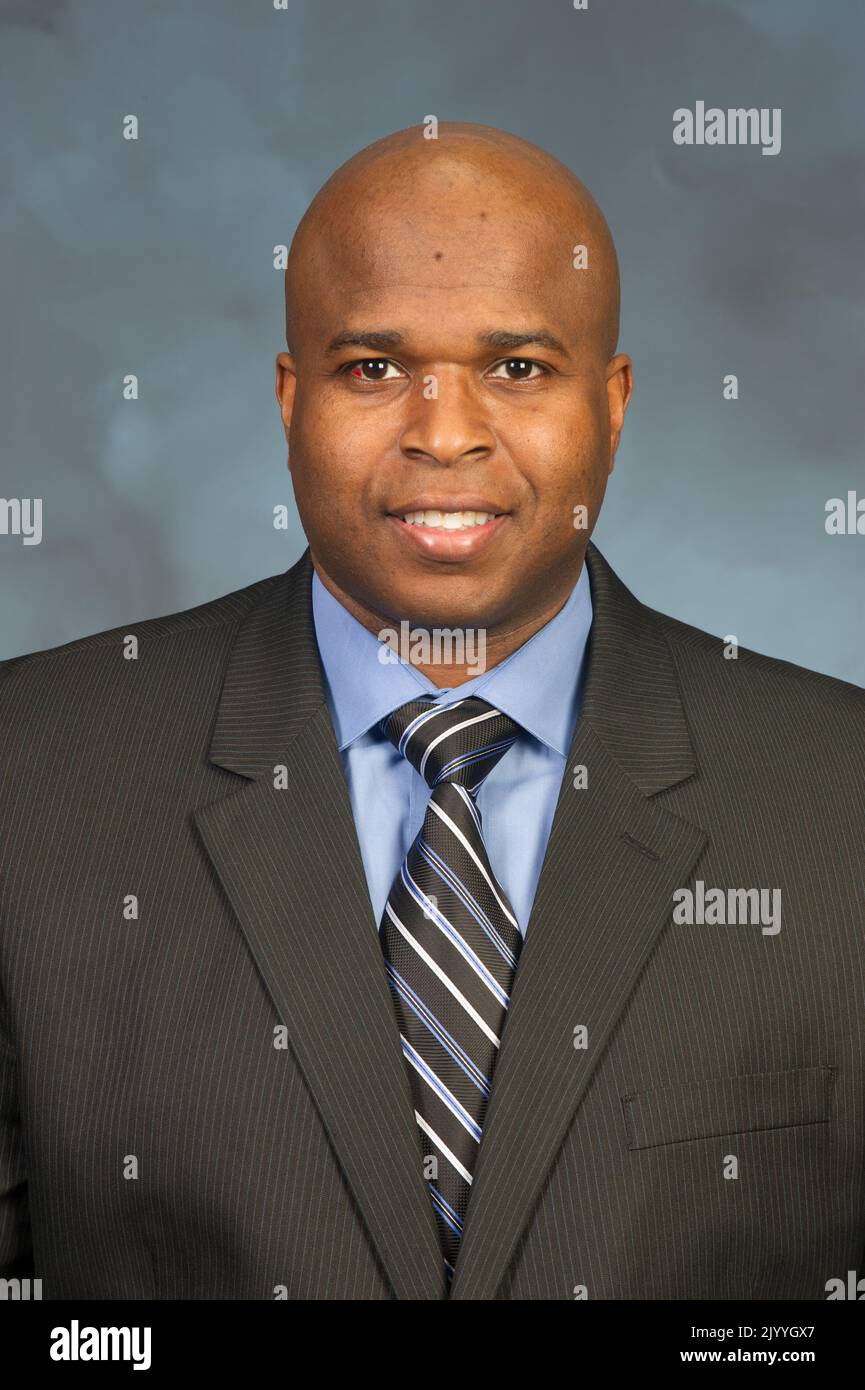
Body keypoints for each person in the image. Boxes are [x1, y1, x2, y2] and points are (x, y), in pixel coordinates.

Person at [1, 122, 863, 1301]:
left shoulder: (840, 799)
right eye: (372, 368)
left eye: (517, 367)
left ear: (610, 406)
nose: (444, 433)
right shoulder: (31, 771)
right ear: (289, 396)